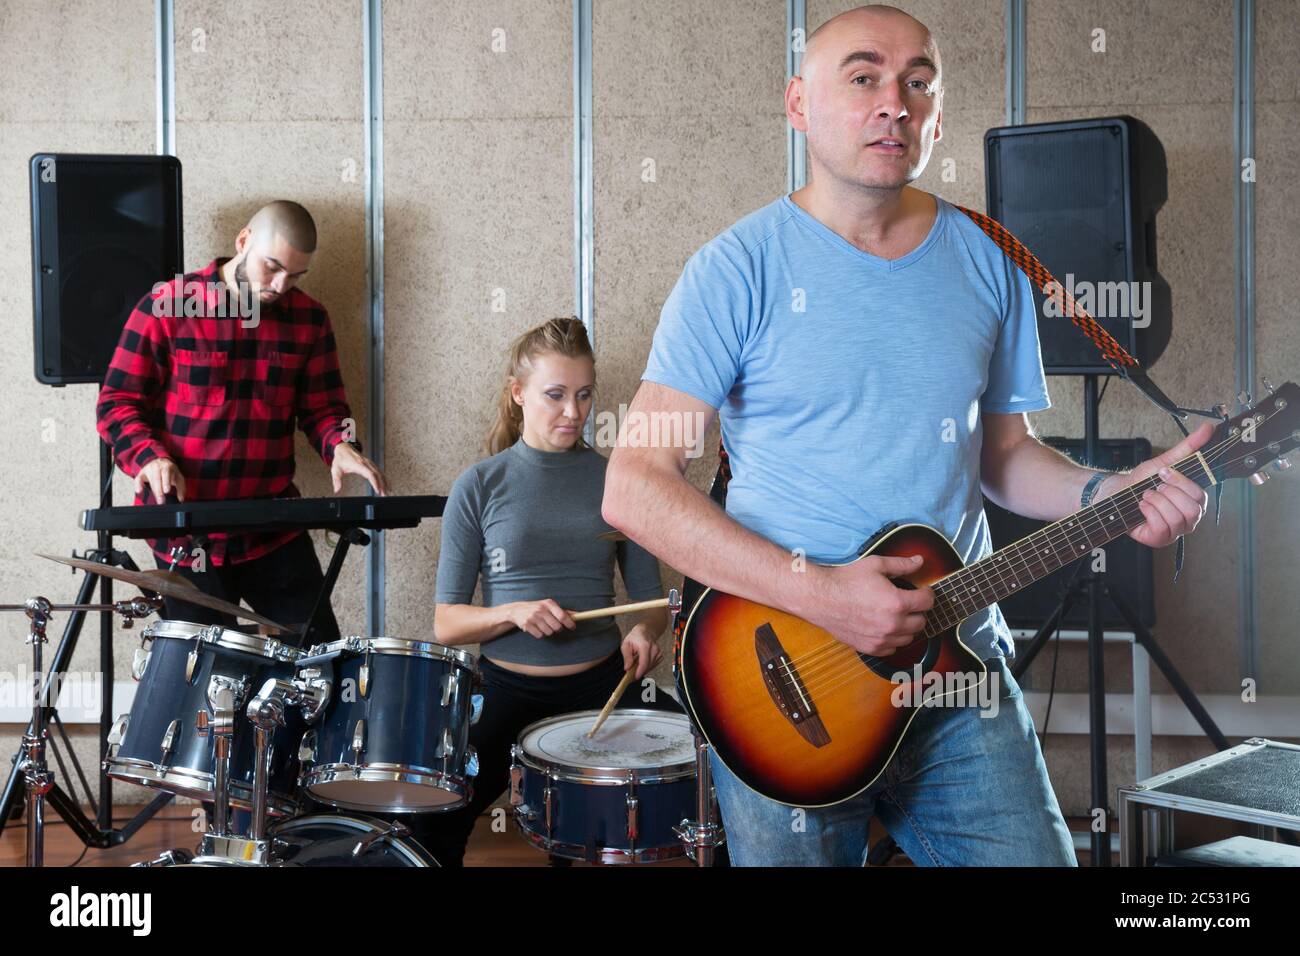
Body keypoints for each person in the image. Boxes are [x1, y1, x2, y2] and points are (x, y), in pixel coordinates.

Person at [602, 4, 1211, 866]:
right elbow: (634, 487)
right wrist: (821, 595)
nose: (896, 101)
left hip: (960, 668)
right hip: (783, 687)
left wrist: (1106, 494)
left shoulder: (990, 258)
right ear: (799, 104)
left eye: (918, 82)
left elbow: (1001, 456)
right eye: (864, 77)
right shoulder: (733, 271)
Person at [416, 317, 679, 866]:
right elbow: (447, 622)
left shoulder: (615, 480)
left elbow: (653, 602)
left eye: (584, 395)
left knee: (703, 775)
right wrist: (512, 612)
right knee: (433, 822)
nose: (574, 412)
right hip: (505, 691)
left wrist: (644, 632)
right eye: (555, 395)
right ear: (519, 394)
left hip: (601, 689)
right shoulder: (480, 484)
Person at [96, 200, 388, 646]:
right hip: (185, 531)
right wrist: (149, 459)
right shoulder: (169, 305)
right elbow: (117, 403)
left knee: (320, 660)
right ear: (244, 241)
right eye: (272, 268)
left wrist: (341, 445)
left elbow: (325, 409)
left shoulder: (309, 319)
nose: (279, 286)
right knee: (206, 675)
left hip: (271, 526)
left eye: (295, 276)